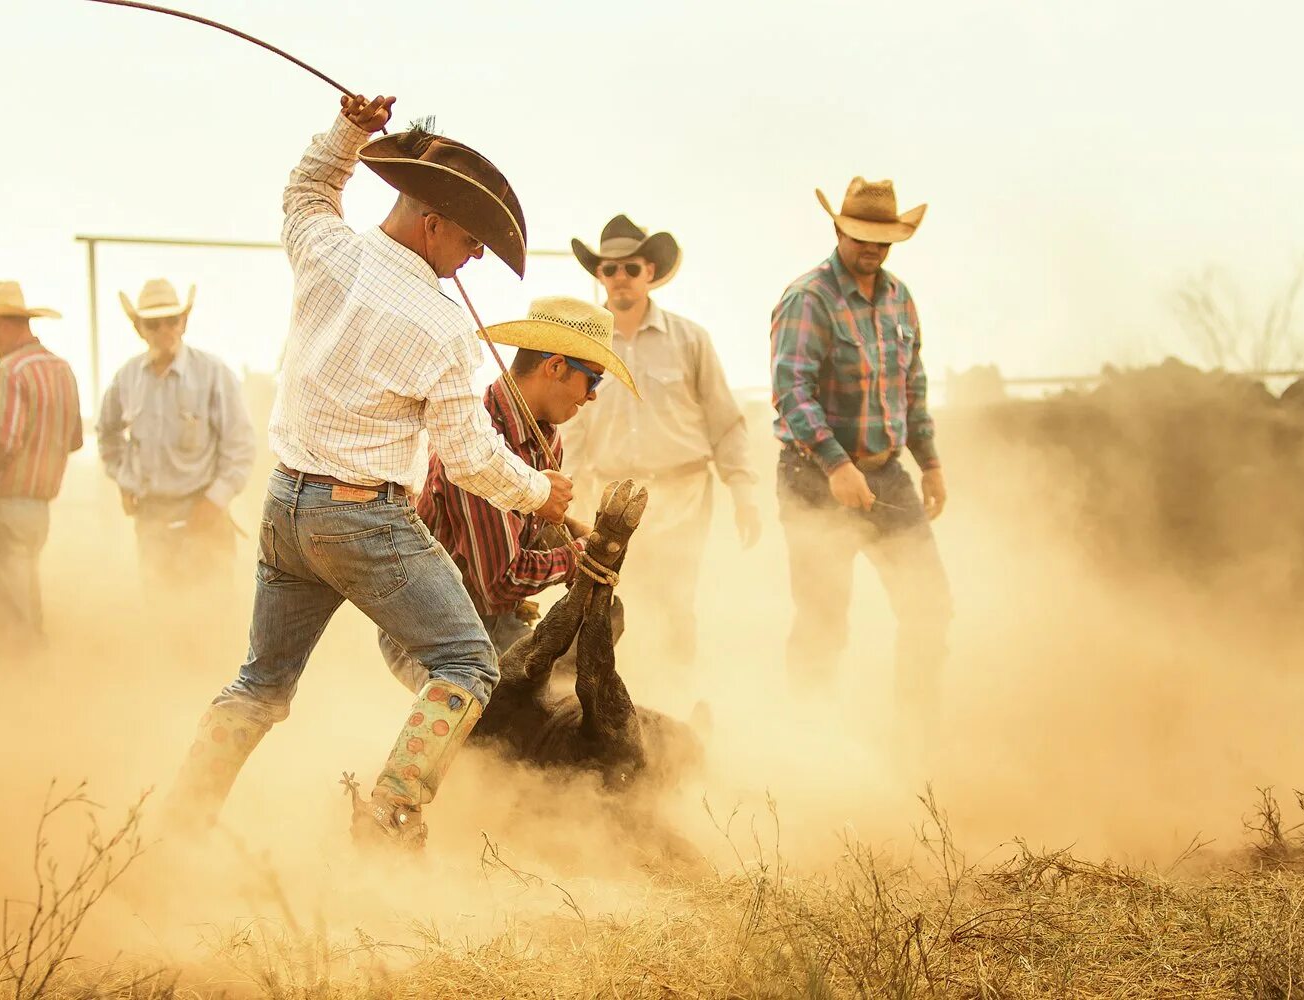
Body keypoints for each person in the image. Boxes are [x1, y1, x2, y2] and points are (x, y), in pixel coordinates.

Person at [163, 94, 574, 849]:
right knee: (466, 662)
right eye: (473, 240)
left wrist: (348, 129)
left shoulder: (328, 249)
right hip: (363, 514)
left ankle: (179, 825)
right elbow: (475, 458)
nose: (476, 257)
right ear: (433, 223)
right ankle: (391, 816)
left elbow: (306, 191)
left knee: (261, 683)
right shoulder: (444, 324)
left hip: (286, 504)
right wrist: (542, 491)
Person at [380, 296, 637, 690]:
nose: (592, 396)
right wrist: (580, 559)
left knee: (559, 692)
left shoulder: (545, 437)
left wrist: (572, 531)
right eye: (593, 379)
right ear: (556, 367)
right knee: (485, 721)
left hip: (489, 618)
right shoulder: (480, 443)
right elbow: (501, 581)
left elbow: (525, 528)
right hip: (430, 631)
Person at [770, 177, 951, 731]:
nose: (872, 247)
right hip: (814, 476)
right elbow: (792, 390)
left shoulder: (899, 299)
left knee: (929, 607)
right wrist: (836, 464)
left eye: (882, 238)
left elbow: (911, 386)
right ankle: (811, 736)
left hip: (888, 475)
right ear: (839, 229)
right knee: (825, 617)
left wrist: (931, 461)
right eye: (861, 236)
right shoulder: (809, 298)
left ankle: (915, 735)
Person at [561, 215, 759, 666]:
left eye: (630, 268)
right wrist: (565, 506)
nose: (620, 278)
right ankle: (619, 708)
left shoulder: (691, 340)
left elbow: (725, 421)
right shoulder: (585, 348)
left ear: (649, 272)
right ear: (600, 276)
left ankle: (676, 700)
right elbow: (572, 432)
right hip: (609, 504)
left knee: (675, 606)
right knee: (608, 607)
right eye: (609, 269)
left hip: (684, 498)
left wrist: (743, 491)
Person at [0, 281, 82, 658]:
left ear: (2, 325)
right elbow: (73, 439)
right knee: (25, 606)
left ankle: (21, 692)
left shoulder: (10, 372)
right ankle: (33, 692)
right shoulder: (62, 368)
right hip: (37, 511)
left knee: (6, 614)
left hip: (2, 508)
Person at [96, 279, 255, 596]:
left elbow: (240, 446)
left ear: (184, 323)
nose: (164, 329)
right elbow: (107, 433)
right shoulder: (126, 378)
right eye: (154, 323)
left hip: (204, 515)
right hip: (152, 520)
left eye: (172, 320)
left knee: (210, 616)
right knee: (160, 616)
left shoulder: (213, 373)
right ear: (139, 328)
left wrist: (214, 500)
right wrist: (126, 479)